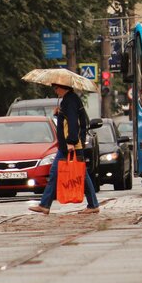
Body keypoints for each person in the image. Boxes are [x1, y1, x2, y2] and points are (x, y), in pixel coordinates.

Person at [30, 83, 100, 214]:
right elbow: (68, 121)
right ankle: (45, 205)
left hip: (71, 146)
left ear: (63, 87)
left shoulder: (70, 101)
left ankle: (93, 205)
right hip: (66, 146)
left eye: (56, 88)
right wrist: (59, 114)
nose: (55, 90)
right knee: (57, 173)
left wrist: (71, 142)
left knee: (80, 175)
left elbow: (74, 122)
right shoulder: (68, 100)